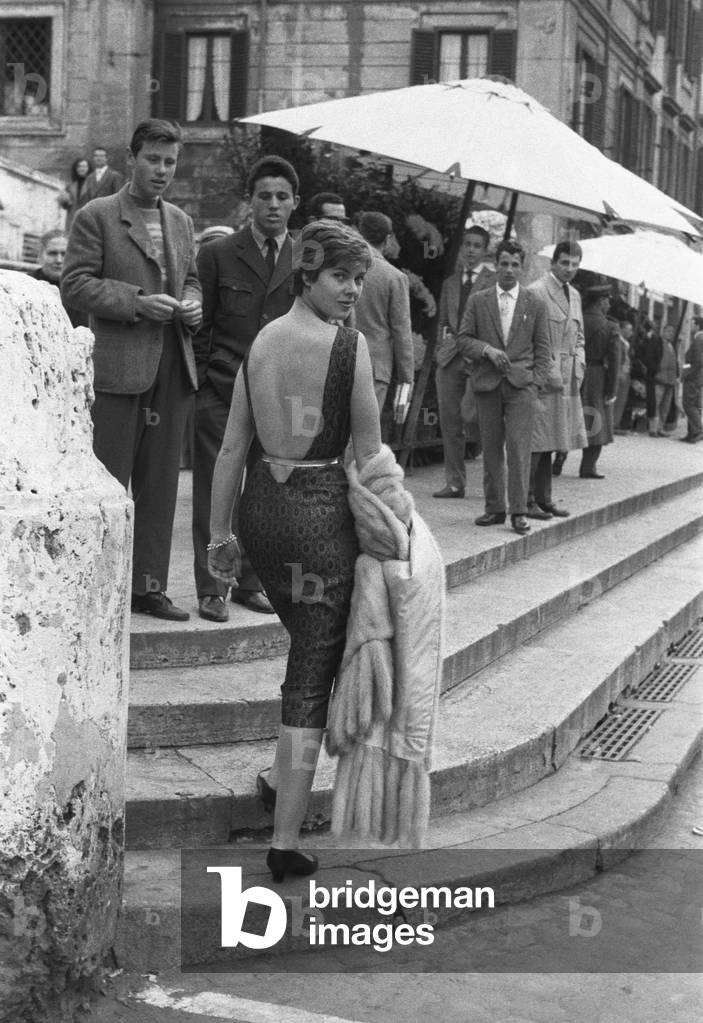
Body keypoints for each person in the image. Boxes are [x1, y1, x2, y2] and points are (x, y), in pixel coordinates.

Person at [208, 221, 380, 880]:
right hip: (318, 522)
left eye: (358, 279)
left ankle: (281, 773)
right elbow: (366, 452)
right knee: (310, 674)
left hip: (262, 517)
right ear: (307, 275)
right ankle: (283, 838)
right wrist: (394, 530)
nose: (352, 290)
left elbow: (231, 449)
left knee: (305, 646)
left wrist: (220, 538)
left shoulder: (261, 341)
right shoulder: (349, 348)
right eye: (340, 276)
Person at [61, 118, 201, 621]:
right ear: (131, 159)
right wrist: (138, 302)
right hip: (120, 366)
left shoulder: (182, 223)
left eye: (170, 162)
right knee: (108, 480)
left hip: (172, 364)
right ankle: (94, 588)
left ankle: (148, 588)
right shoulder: (97, 215)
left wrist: (192, 302)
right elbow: (74, 285)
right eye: (153, 160)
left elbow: (194, 281)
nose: (162, 171)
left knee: (162, 483)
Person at [192, 156, 300, 622]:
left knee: (265, 493)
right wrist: (202, 382)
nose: (273, 205)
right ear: (249, 201)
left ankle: (251, 582)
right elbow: (202, 326)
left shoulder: (304, 258)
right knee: (214, 491)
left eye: (282, 197)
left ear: (295, 202)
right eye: (264, 196)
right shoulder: (218, 254)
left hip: (278, 398)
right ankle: (213, 586)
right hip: (221, 392)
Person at [457, 239, 551, 535]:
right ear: (495, 265)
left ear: (522, 269)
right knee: (491, 449)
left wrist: (535, 384)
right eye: (504, 263)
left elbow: (544, 350)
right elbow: (463, 339)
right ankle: (495, 508)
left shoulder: (534, 303)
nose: (509, 270)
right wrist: (486, 350)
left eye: (515, 265)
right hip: (487, 384)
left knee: (519, 449)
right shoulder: (479, 300)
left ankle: (519, 511)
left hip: (521, 386)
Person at [526, 240, 587, 519]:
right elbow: (527, 338)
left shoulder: (574, 295)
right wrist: (546, 370)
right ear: (553, 263)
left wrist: (580, 363)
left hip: (568, 376)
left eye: (575, 264)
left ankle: (545, 498)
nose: (569, 269)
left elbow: (580, 336)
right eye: (564, 262)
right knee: (536, 440)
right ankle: (526, 500)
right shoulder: (537, 291)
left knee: (553, 439)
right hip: (543, 375)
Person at [433, 225, 495, 498]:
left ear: (485, 250)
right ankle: (455, 481)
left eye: (476, 246)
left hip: (480, 359)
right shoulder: (450, 283)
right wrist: (441, 348)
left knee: (478, 417)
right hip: (450, 358)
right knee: (450, 420)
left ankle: (494, 480)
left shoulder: (493, 282)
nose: (470, 250)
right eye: (467, 244)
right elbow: (444, 322)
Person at [354, 211, 415, 416]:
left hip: (337, 355)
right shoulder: (394, 277)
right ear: (388, 239)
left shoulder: (342, 265)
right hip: (376, 365)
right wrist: (407, 378)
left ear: (359, 233)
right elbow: (402, 332)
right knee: (364, 432)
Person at [579, 284, 620, 478]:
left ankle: (558, 461)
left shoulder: (577, 319)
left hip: (574, 372)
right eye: (608, 300)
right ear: (601, 301)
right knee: (597, 421)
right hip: (596, 377)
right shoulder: (610, 326)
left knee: (568, 416)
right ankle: (588, 467)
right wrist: (611, 390)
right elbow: (614, 362)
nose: (609, 304)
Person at [28, 229, 87, 329]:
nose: (59, 260)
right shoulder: (26, 285)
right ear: (39, 256)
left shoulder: (83, 288)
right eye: (52, 253)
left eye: (64, 254)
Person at [652, 324, 678, 436]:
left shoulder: (672, 346)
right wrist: (656, 372)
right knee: (656, 404)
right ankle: (653, 428)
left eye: (672, 331)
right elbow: (652, 359)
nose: (670, 333)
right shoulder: (657, 343)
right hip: (660, 379)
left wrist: (677, 376)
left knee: (665, 407)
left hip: (670, 381)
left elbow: (675, 362)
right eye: (668, 331)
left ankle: (660, 427)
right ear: (663, 331)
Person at [680, 316, 703, 443]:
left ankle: (698, 430)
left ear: (698, 326)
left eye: (693, 324)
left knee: (688, 405)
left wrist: (686, 375)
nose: (691, 326)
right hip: (698, 379)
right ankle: (692, 434)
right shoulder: (699, 339)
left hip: (693, 379)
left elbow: (698, 361)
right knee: (695, 406)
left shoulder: (698, 340)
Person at [58, 157, 92, 230]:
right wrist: (64, 201)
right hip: (72, 221)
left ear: (88, 168)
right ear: (76, 169)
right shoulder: (69, 187)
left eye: (84, 166)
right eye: (79, 166)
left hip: (88, 221)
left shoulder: (94, 185)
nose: (82, 169)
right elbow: (65, 207)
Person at [613, 317, 634, 434]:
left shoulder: (627, 343)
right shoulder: (618, 341)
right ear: (621, 329)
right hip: (619, 374)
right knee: (616, 399)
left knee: (622, 400)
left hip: (626, 374)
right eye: (629, 329)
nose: (631, 332)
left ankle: (615, 423)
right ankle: (612, 424)